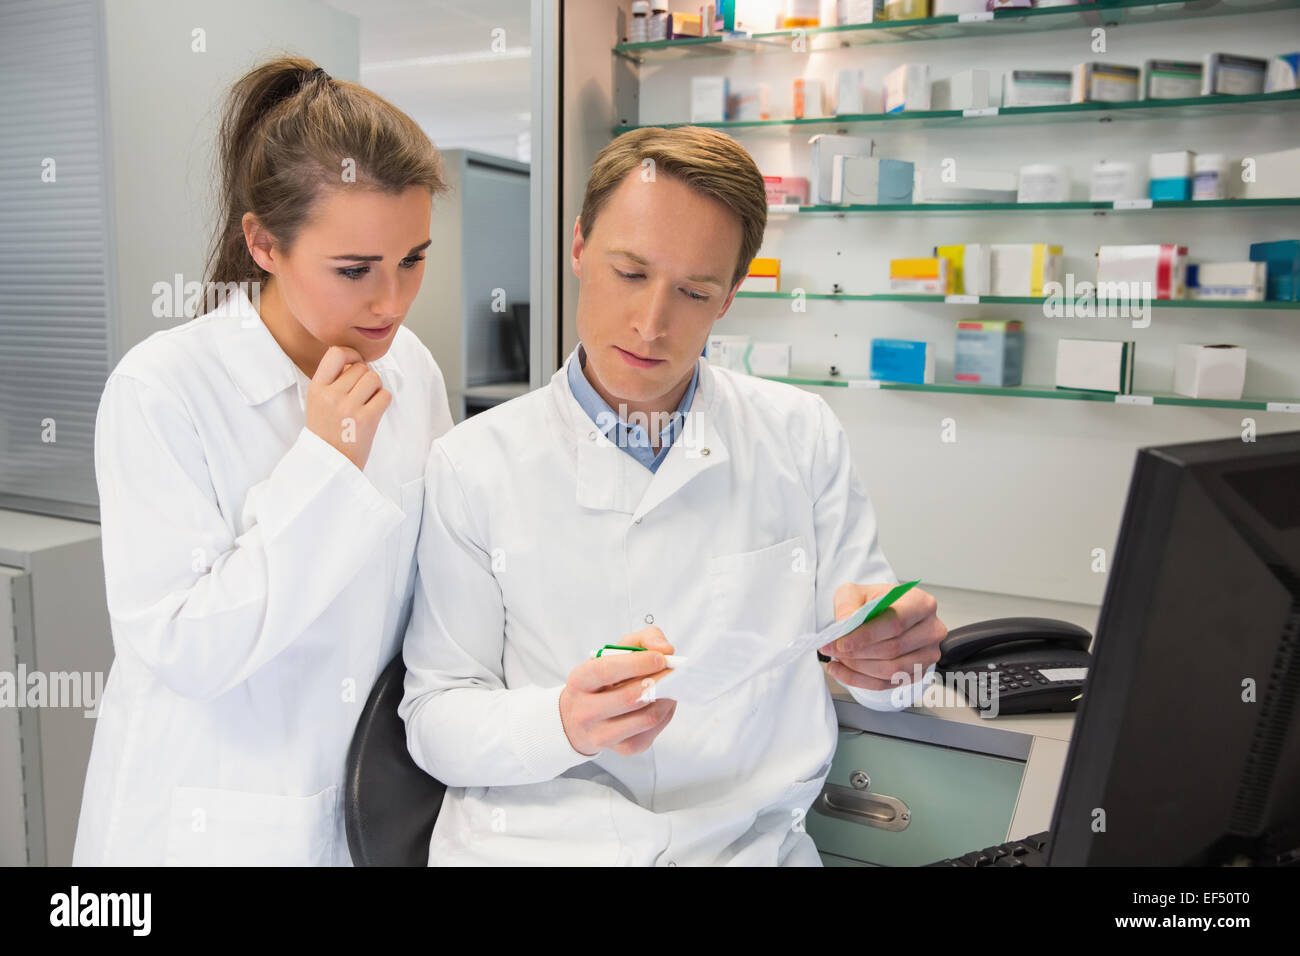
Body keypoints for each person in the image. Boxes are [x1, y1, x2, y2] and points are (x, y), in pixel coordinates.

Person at [399, 126, 947, 866]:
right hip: (540, 848)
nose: (652, 325)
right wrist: (561, 723)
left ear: (729, 298)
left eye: (693, 291)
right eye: (630, 273)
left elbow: (872, 655)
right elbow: (436, 720)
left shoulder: (798, 434)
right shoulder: (472, 464)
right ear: (580, 246)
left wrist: (895, 663)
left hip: (745, 849)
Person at [73, 57, 453, 865]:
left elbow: (435, 575)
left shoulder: (410, 366)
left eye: (413, 258)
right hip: (213, 819)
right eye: (354, 270)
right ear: (263, 243)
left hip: (367, 804)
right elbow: (185, 650)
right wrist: (326, 465)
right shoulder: (162, 389)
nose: (391, 301)